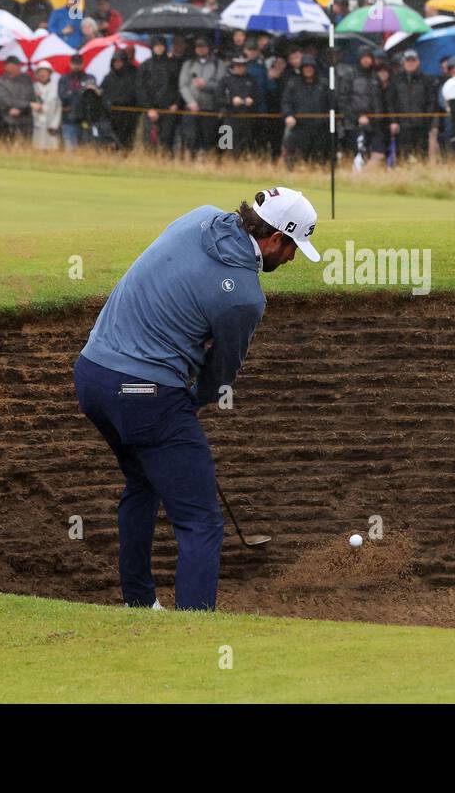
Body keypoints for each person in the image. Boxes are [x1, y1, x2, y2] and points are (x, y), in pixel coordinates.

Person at [74, 187, 321, 611]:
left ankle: (138, 605)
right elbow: (220, 376)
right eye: (294, 247)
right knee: (201, 521)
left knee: (142, 484)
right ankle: (193, 630)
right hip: (144, 394)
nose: (294, 258)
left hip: (92, 374)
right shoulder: (245, 297)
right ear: (275, 239)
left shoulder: (199, 215)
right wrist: (188, 403)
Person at [280, 55, 331, 166]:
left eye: (311, 67)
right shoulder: (293, 83)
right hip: (299, 127)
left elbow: (331, 103)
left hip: (320, 127)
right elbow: (286, 102)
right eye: (306, 67)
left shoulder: (324, 84)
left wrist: (328, 119)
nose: (308, 70)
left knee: (319, 158)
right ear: (302, 69)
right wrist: (288, 115)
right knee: (297, 156)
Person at [387, 49, 437, 159]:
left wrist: (427, 120)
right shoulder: (395, 80)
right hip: (402, 126)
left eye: (413, 61)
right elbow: (390, 102)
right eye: (408, 61)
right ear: (403, 62)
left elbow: (431, 101)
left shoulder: (426, 80)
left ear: (418, 62)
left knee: (422, 155)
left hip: (421, 125)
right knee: (402, 156)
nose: (410, 63)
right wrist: (393, 121)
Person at [179, 36, 224, 154]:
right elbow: (183, 85)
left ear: (208, 48)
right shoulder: (188, 64)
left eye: (203, 47)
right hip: (192, 109)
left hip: (209, 108)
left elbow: (221, 85)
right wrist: (191, 102)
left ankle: (206, 161)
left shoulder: (218, 64)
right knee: (191, 137)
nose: (200, 50)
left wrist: (205, 85)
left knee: (209, 138)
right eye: (198, 47)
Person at [138, 34, 183, 152]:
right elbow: (141, 89)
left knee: (167, 140)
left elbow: (179, 86)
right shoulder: (145, 66)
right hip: (151, 110)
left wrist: (176, 103)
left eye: (161, 45)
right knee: (149, 142)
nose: (159, 48)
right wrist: (149, 108)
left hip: (169, 109)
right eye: (156, 45)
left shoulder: (173, 64)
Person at [217, 56, 259, 154]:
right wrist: (231, 101)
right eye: (238, 66)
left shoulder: (251, 80)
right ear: (234, 66)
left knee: (245, 145)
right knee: (226, 145)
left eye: (243, 66)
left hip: (247, 118)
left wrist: (252, 101)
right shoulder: (225, 80)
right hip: (228, 117)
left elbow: (258, 97)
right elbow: (218, 98)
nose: (241, 68)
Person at [101, 49, 140, 149]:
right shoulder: (108, 78)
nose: (117, 64)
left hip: (129, 115)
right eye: (115, 61)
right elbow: (103, 94)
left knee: (127, 142)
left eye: (119, 61)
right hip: (112, 115)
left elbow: (137, 94)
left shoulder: (133, 75)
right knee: (113, 141)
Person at [0, 55, 34, 140]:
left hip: (26, 119)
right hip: (7, 119)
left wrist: (21, 109)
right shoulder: (0, 82)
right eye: (13, 66)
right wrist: (28, 104)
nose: (16, 68)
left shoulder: (26, 79)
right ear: (6, 67)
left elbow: (31, 96)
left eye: (17, 65)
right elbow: (5, 100)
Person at [57, 53, 92, 150]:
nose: (76, 66)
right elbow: (62, 96)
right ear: (70, 64)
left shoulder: (89, 78)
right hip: (69, 120)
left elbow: (91, 97)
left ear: (83, 64)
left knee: (86, 151)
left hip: (86, 120)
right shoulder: (64, 79)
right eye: (74, 63)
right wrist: (81, 92)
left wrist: (72, 93)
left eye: (79, 63)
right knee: (70, 151)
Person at [30, 61, 61, 149]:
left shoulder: (56, 88)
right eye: (40, 71)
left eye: (45, 71)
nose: (43, 74)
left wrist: (54, 125)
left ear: (50, 73)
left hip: (50, 126)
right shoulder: (33, 88)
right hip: (37, 125)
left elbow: (58, 108)